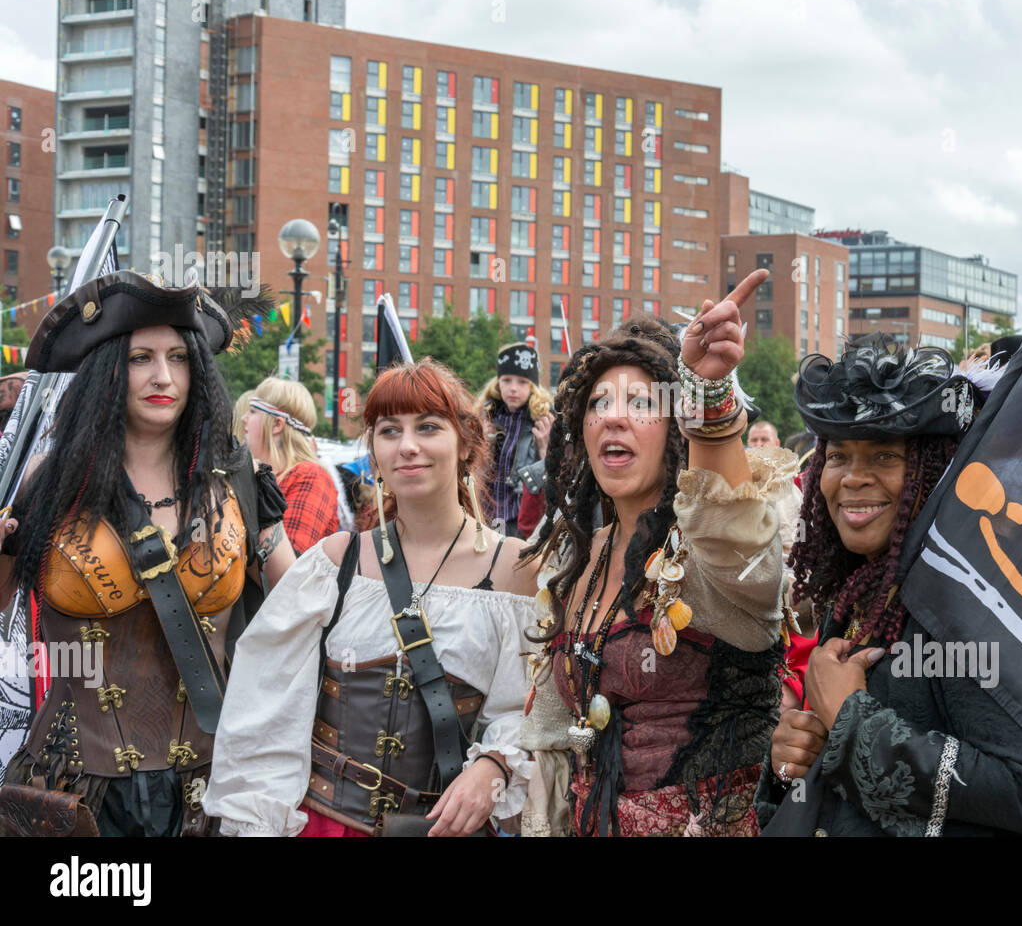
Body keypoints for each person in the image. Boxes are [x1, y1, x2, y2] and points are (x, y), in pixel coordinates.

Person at [0, 270, 294, 837]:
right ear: (108, 370)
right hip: (70, 789)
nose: (163, 376)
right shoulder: (50, 481)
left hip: (211, 789)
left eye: (179, 358)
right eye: (141, 358)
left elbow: (304, 611)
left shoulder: (234, 484)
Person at [204, 358, 538, 836]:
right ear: (374, 451)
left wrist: (496, 767)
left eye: (427, 427)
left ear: (466, 442)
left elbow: (530, 708)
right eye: (388, 431)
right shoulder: (335, 563)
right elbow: (264, 709)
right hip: (325, 824)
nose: (407, 446)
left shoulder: (515, 570)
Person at [519, 271, 794, 837]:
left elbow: (734, 531)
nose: (614, 416)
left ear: (676, 427)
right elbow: (549, 741)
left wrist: (708, 397)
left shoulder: (708, 554)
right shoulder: (574, 563)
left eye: (641, 402)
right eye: (598, 403)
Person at [757, 334, 1022, 836]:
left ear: (933, 471)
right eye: (838, 456)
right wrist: (792, 758)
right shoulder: (857, 590)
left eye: (884, 456)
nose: (852, 478)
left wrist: (853, 721)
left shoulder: (974, 599)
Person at [242, 377, 339, 554]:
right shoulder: (256, 476)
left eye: (253, 411)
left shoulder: (310, 476)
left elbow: (290, 568)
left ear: (277, 425)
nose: (243, 418)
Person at [478, 343, 553, 538]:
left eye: (522, 382)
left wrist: (546, 448)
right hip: (484, 515)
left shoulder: (544, 420)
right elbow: (468, 471)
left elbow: (555, 479)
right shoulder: (484, 417)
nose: (513, 388)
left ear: (533, 386)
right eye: (507, 380)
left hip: (522, 518)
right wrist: (481, 443)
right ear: (498, 382)